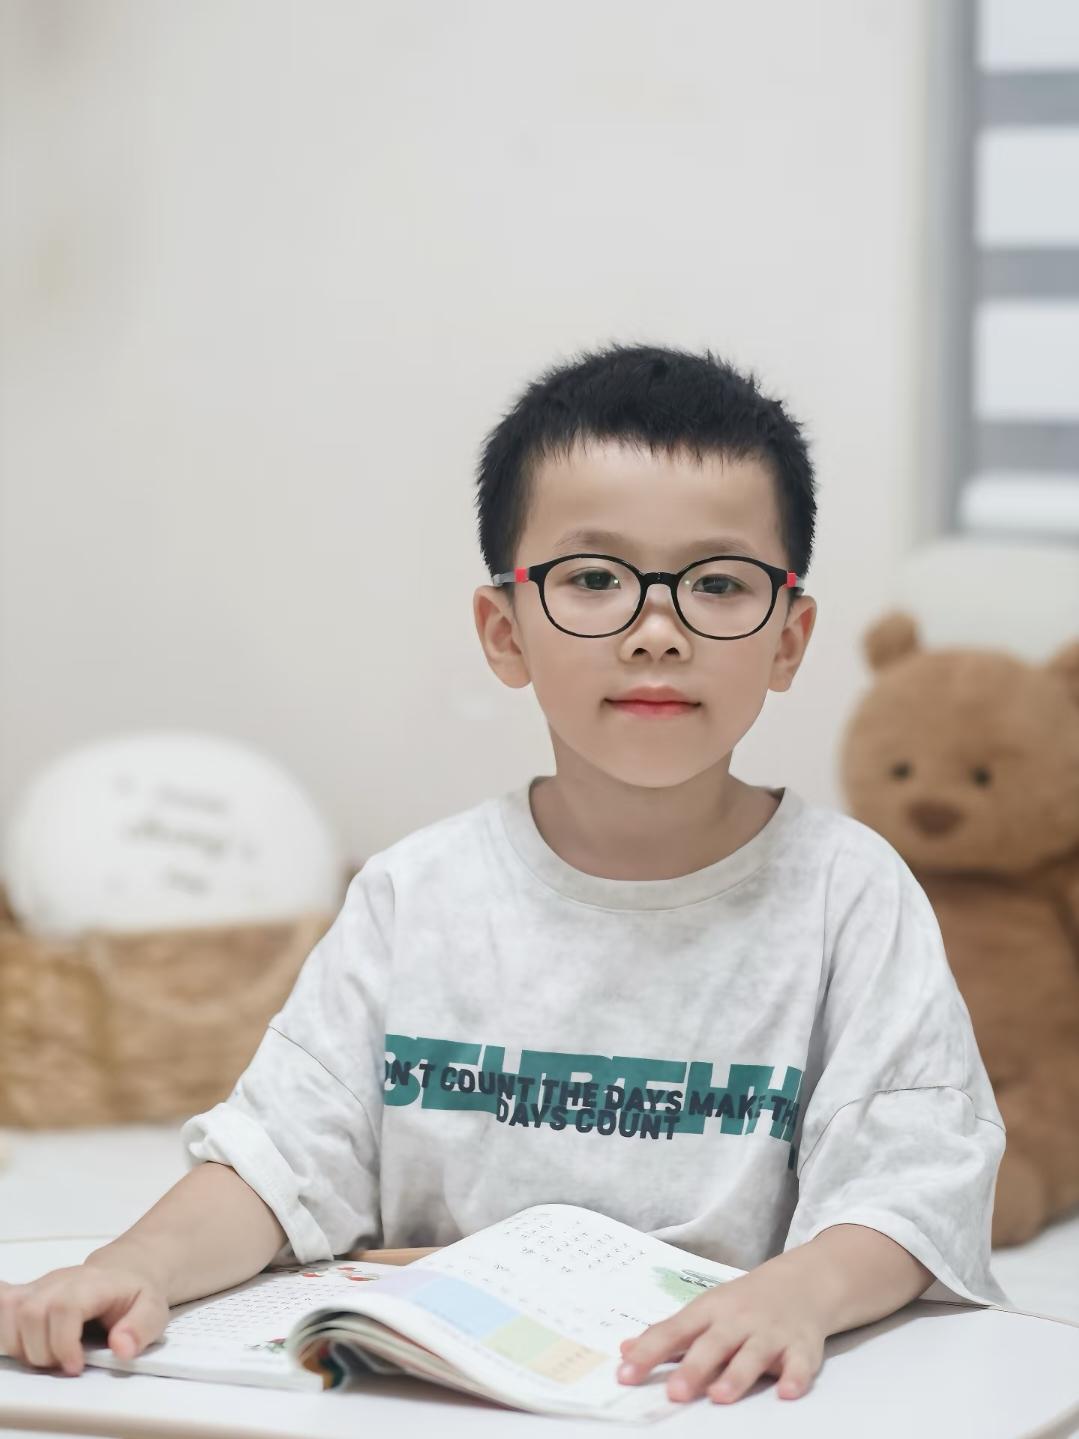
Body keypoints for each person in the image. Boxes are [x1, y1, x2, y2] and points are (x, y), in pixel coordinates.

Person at [0, 343, 1008, 1407]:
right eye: (593, 579)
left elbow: (911, 1187)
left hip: (705, 1398)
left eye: (717, 583)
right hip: (431, 1396)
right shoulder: (414, 893)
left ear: (788, 639)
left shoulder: (849, 895)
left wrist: (797, 1293)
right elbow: (280, 1158)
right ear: (503, 629)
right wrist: (136, 1263)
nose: (655, 631)